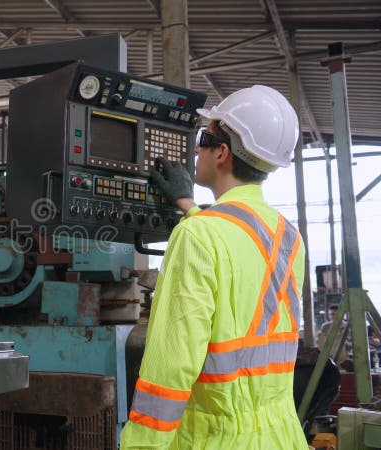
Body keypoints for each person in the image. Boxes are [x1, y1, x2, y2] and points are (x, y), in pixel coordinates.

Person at [120, 85, 308, 449]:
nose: (195, 149)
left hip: (217, 439)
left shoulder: (197, 236)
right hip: (282, 435)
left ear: (222, 152)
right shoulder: (287, 236)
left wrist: (140, 445)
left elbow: (171, 368)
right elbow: (239, 249)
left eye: (203, 139)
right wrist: (188, 204)